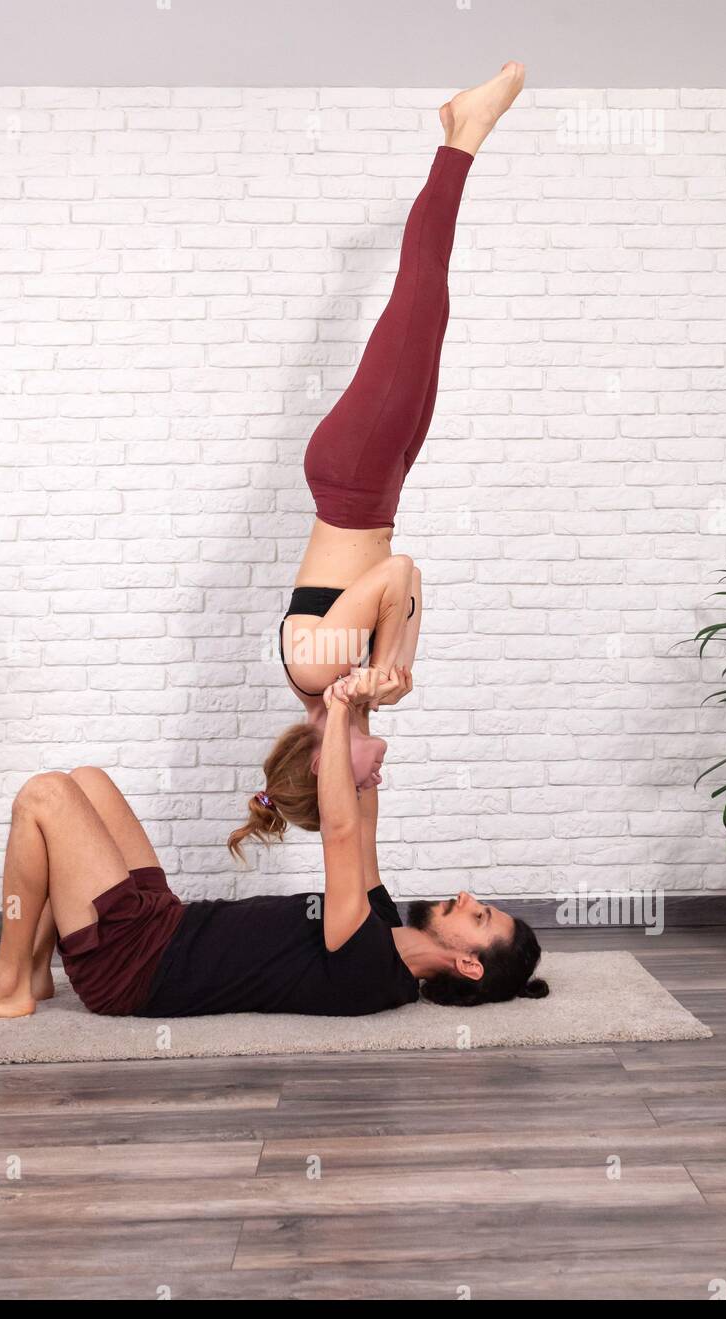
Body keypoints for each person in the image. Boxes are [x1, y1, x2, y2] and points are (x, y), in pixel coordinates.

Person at [229, 63, 526, 856]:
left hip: (353, 478)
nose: (372, 780)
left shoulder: (321, 671)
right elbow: (404, 580)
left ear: (326, 762)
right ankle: (459, 132)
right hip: (378, 485)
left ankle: (464, 132)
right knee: (432, 307)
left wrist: (392, 665)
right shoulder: (347, 691)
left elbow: (397, 576)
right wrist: (388, 678)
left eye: (357, 783)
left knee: (421, 290)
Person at [0, 670, 546, 1029]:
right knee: (88, 781)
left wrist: (339, 705)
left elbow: (343, 829)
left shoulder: (372, 971)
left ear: (469, 966)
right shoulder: (379, 920)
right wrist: (368, 699)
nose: (467, 898)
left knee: (44, 799)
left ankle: (5, 982)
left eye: (480, 916)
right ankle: (33, 972)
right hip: (167, 922)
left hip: (134, 968)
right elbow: (365, 811)